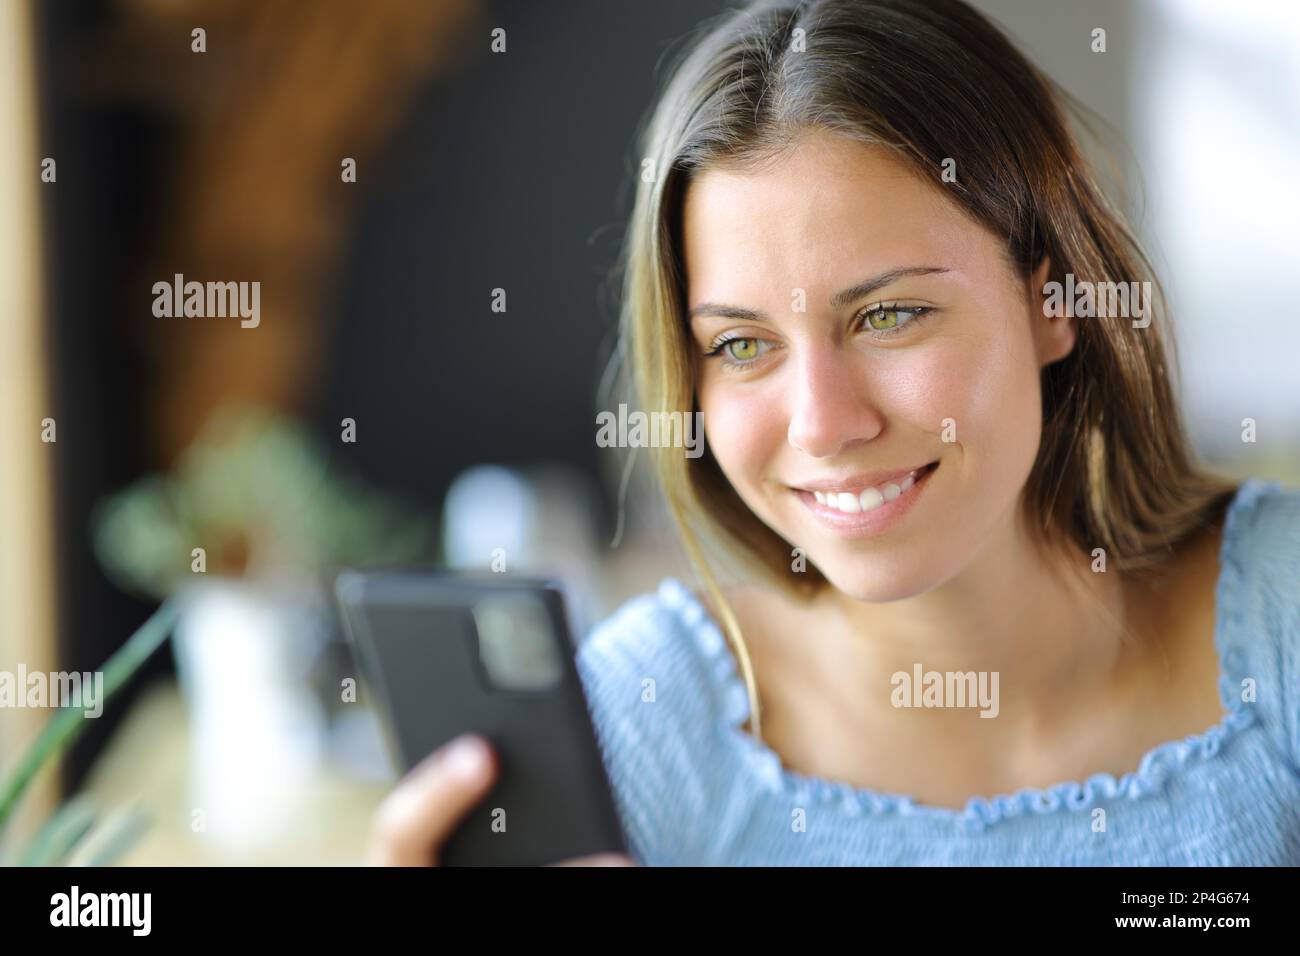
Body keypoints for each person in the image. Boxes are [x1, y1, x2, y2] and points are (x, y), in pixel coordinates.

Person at [367, 0, 1300, 866]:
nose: (822, 424)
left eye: (888, 316)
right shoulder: (645, 728)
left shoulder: (1282, 619)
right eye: (741, 344)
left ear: (1053, 299)